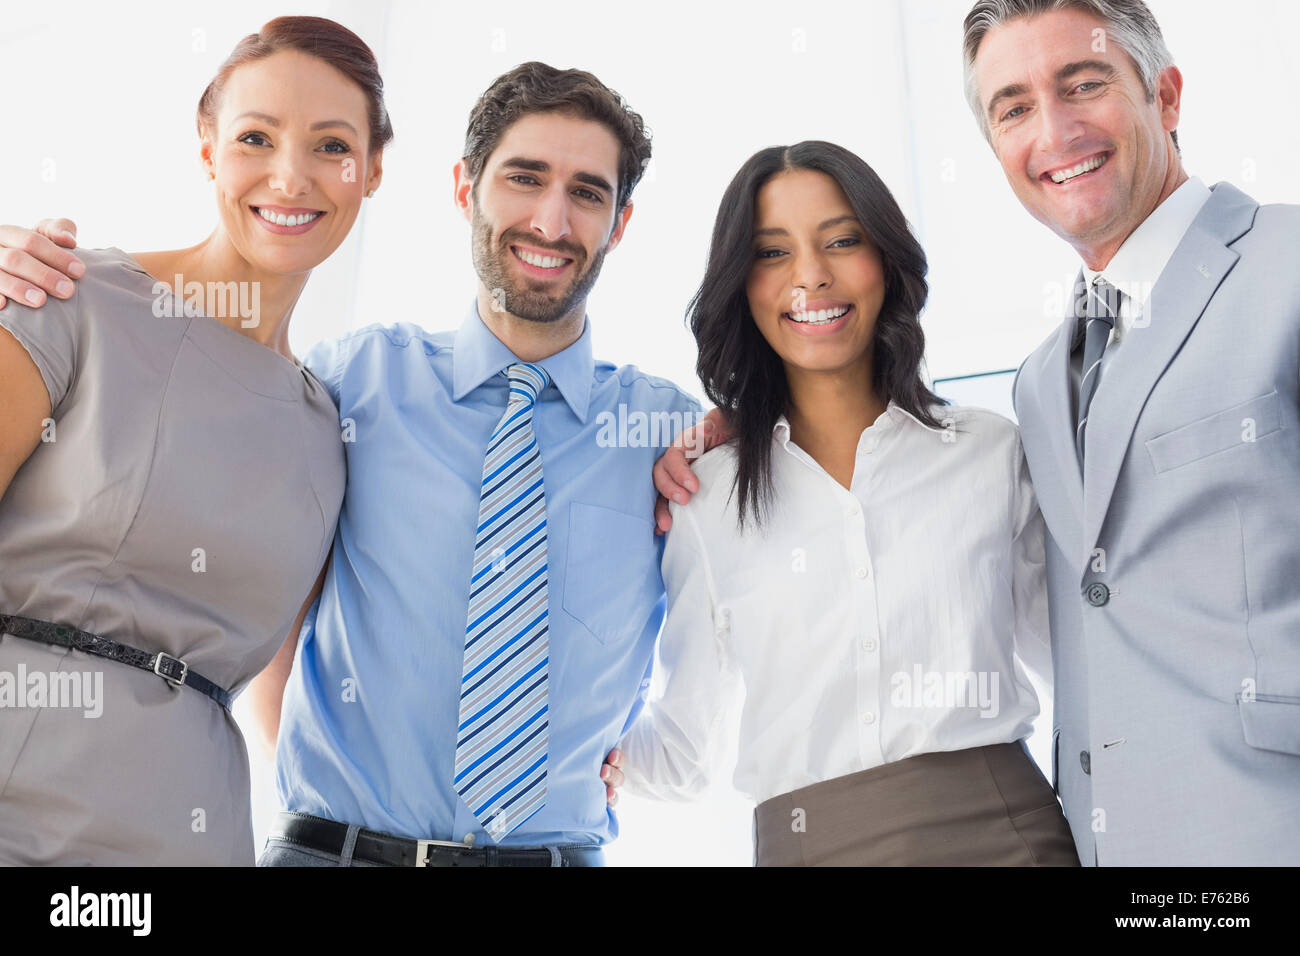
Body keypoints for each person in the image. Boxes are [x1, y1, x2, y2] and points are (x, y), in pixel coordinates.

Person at [0, 62, 698, 866]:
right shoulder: (348, 388)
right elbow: (256, 588)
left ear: (622, 220)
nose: (551, 219)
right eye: (525, 178)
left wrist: (637, 756)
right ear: (465, 187)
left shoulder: (668, 435)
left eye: (587, 192)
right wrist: (43, 268)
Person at [612, 140, 1077, 866]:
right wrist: (544, 720)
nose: (810, 276)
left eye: (842, 241)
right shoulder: (706, 500)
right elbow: (681, 754)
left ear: (885, 261)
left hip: (1012, 839)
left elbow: (1081, 671)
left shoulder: (989, 452)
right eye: (771, 253)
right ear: (741, 284)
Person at [0, 15, 386, 864]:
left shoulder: (328, 429)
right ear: (208, 148)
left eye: (331, 146)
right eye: (256, 137)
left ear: (373, 170)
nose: (292, 177)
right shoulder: (69, 297)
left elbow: (287, 696)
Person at [960, 0, 1300, 865]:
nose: (1056, 130)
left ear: (1167, 95)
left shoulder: (1288, 268)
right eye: (1014, 108)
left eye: (1084, 84)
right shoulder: (1039, 379)